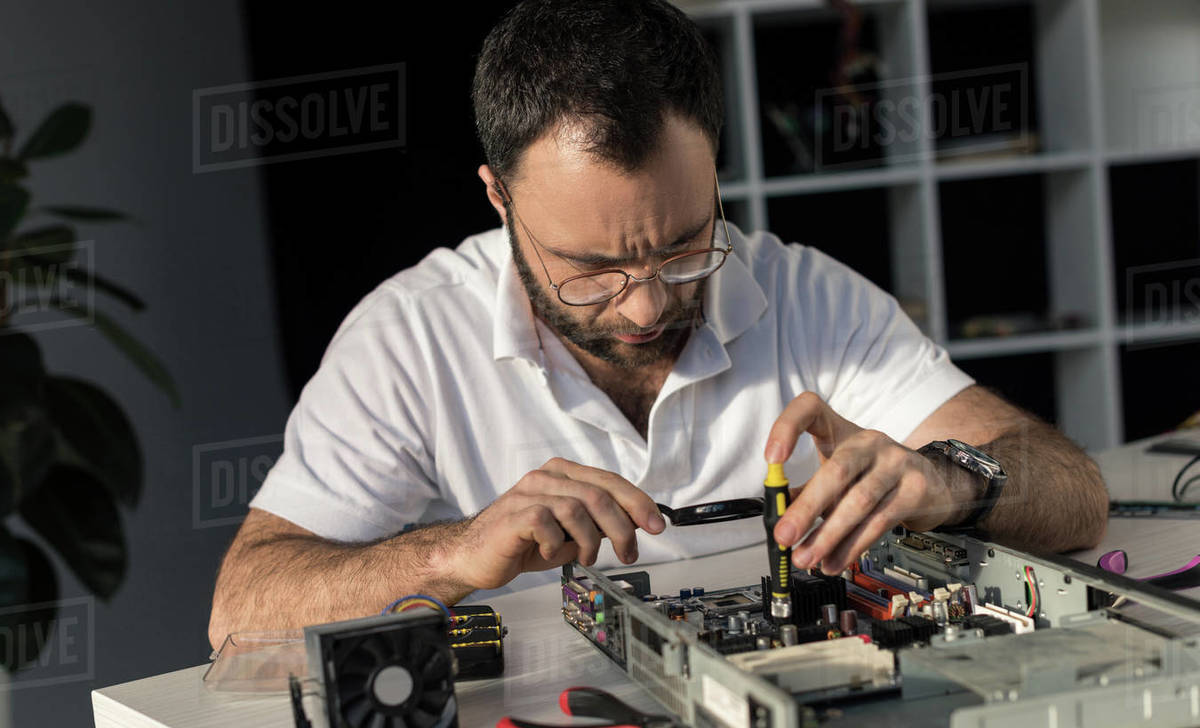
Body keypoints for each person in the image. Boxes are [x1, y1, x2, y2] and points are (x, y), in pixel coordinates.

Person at [207, 0, 1107, 650]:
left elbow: (1073, 489)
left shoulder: (806, 297)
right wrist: (453, 550)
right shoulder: (409, 338)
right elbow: (242, 606)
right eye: (591, 270)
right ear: (498, 197)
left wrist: (952, 483)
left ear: (716, 167)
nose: (645, 305)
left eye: (684, 247)